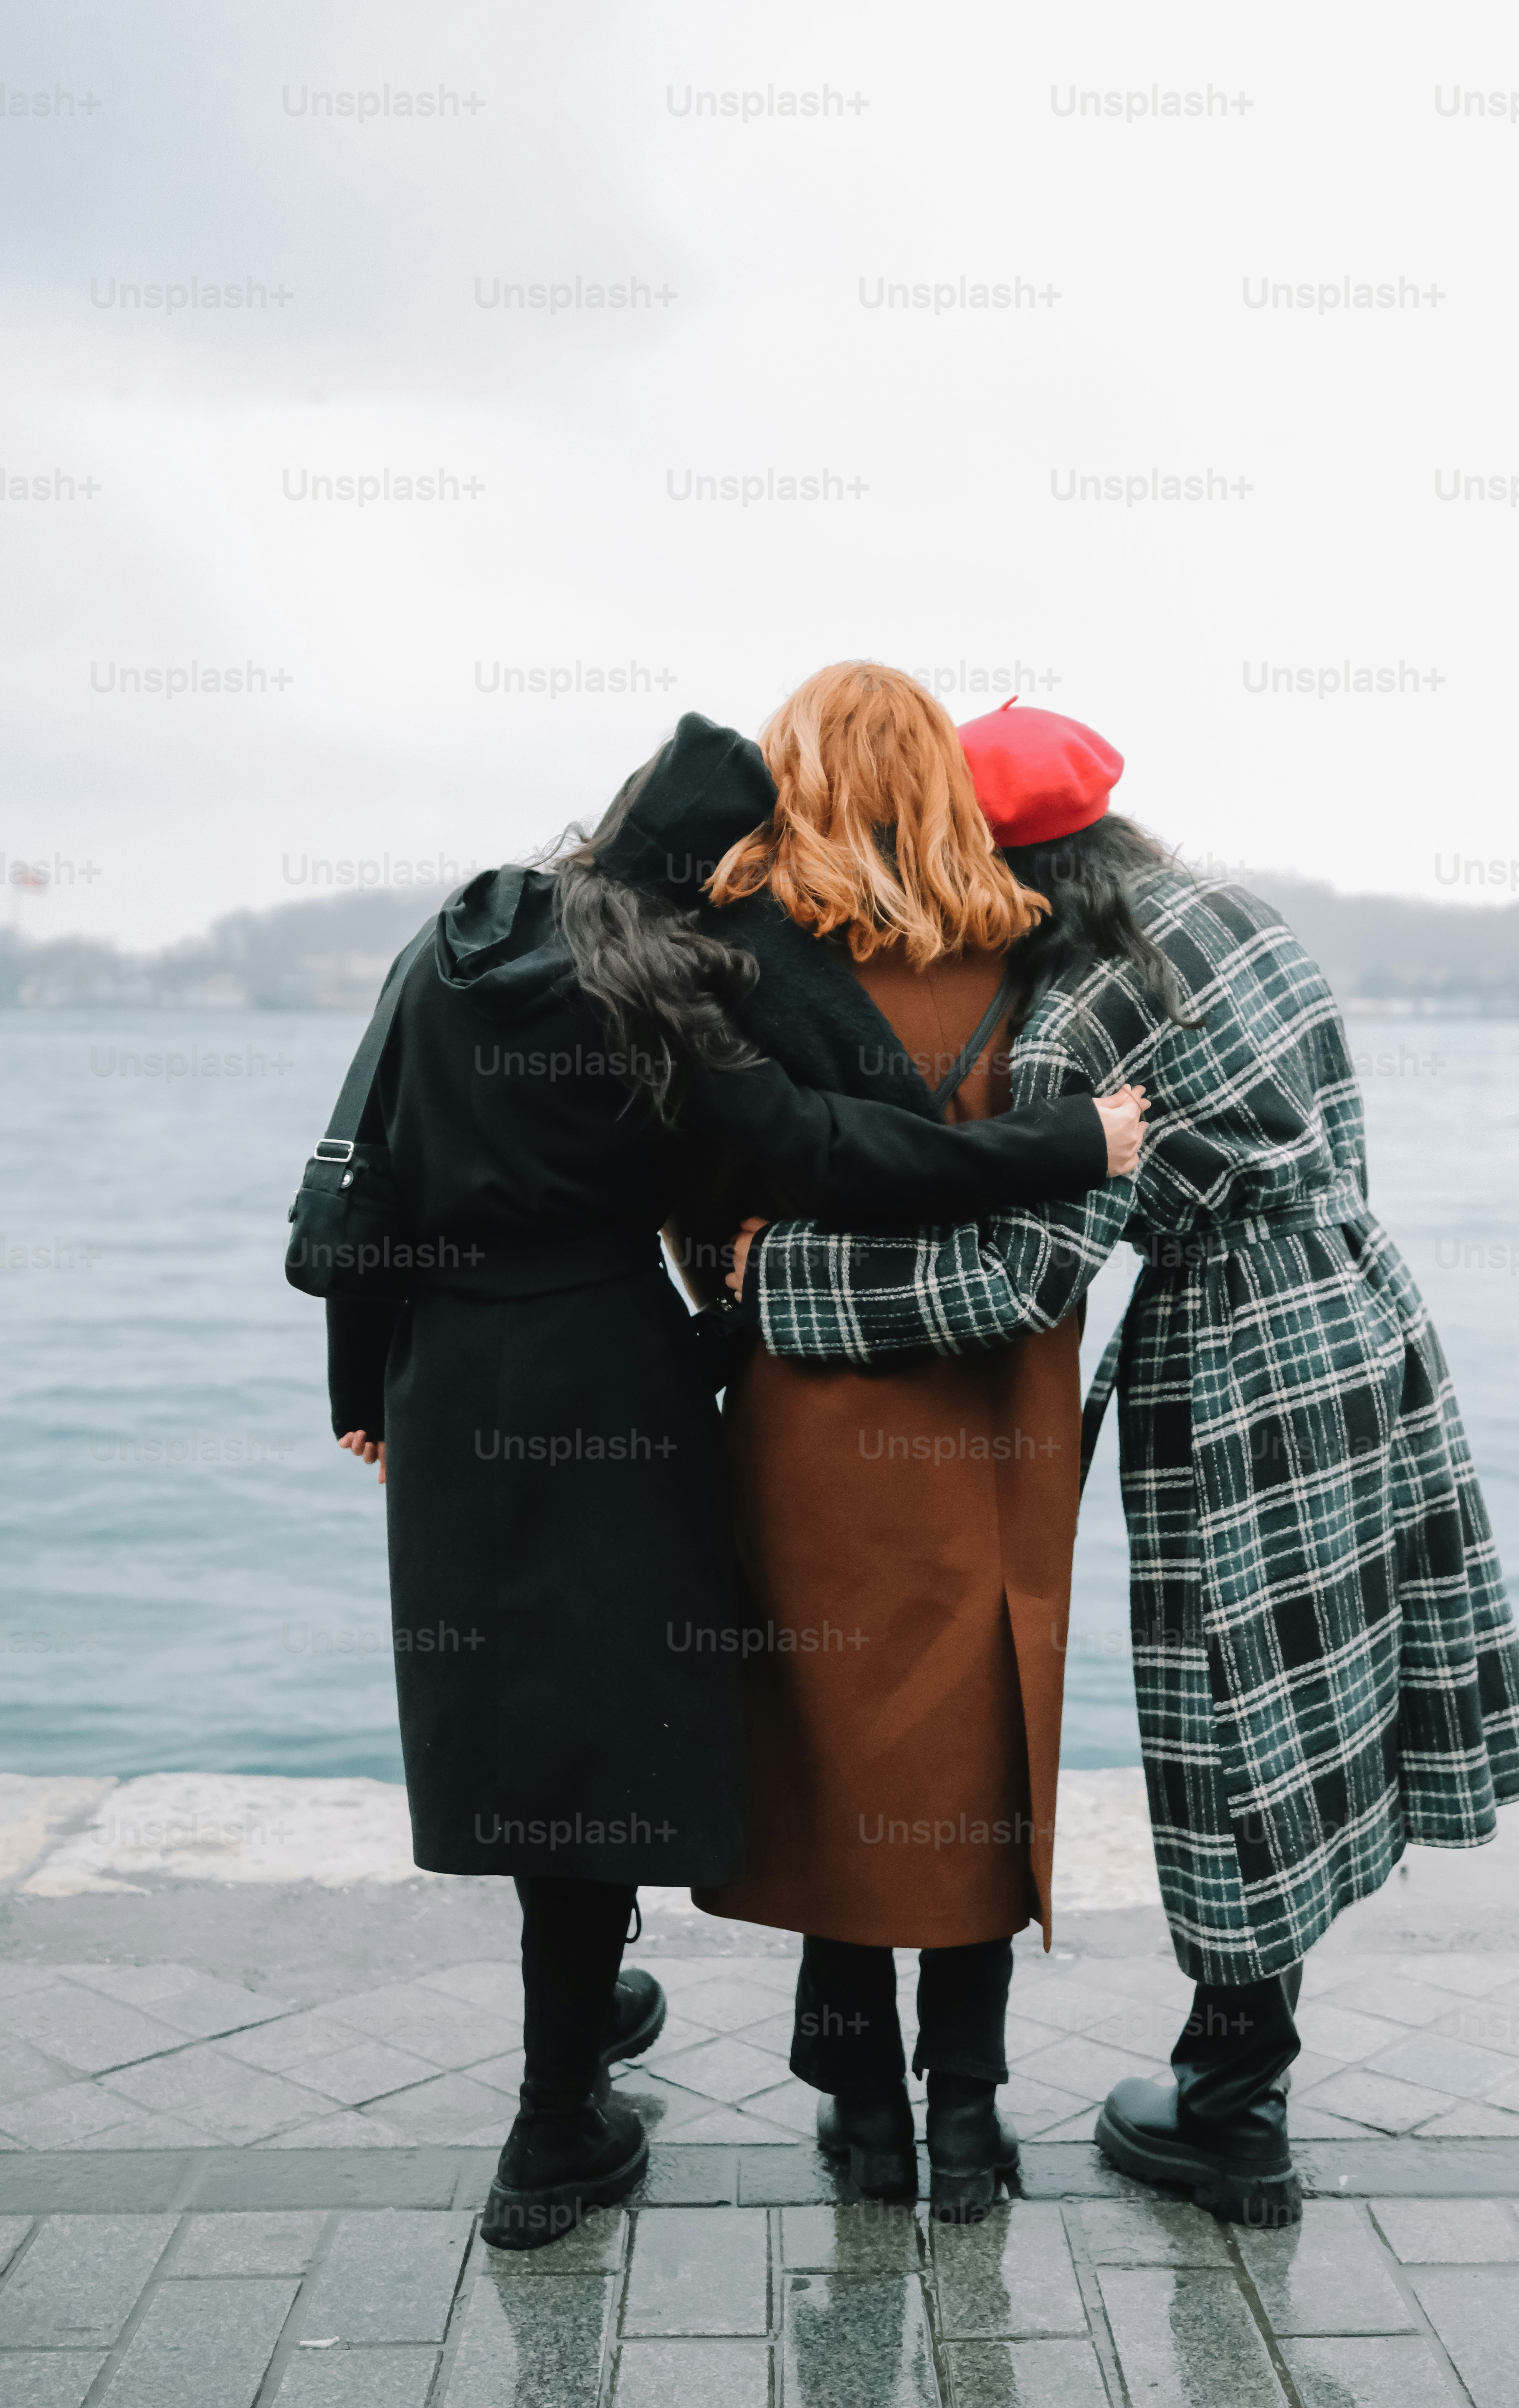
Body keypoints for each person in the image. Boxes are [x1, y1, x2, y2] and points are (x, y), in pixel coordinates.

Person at [314, 721, 1142, 2249]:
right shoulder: (665, 984)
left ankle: (590, 2046)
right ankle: (567, 2120)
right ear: (716, 864)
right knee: (613, 1723)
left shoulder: (460, 929)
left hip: (445, 1376)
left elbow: (377, 1161)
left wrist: (360, 1383)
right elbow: (825, 1149)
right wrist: (1063, 1142)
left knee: (519, 1725)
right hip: (615, 1376)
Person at [731, 698, 1519, 2229]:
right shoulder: (1240, 910)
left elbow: (1016, 1278)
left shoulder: (1078, 1009)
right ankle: (1239, 2077)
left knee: (1233, 1720)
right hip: (1367, 1307)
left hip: (1229, 1351)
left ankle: (1236, 2122)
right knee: (1308, 1711)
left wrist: (767, 1285)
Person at [608, 663, 1146, 2221]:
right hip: (1003, 1414)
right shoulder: (1042, 959)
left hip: (815, 1417)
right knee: (981, 1755)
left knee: (841, 1761)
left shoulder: (738, 962)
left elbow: (708, 1207)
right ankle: (967, 2116)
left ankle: (862, 2119)